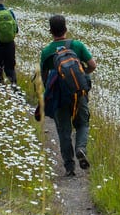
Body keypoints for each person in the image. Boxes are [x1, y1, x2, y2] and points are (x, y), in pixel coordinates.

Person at [38, 14, 95, 176]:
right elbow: (92, 65)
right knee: (82, 123)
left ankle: (70, 167)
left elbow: (44, 78)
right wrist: (82, 74)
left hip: (58, 95)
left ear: (51, 31)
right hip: (78, 91)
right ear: (66, 28)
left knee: (64, 131)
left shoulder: (47, 51)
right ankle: (81, 149)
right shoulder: (77, 45)